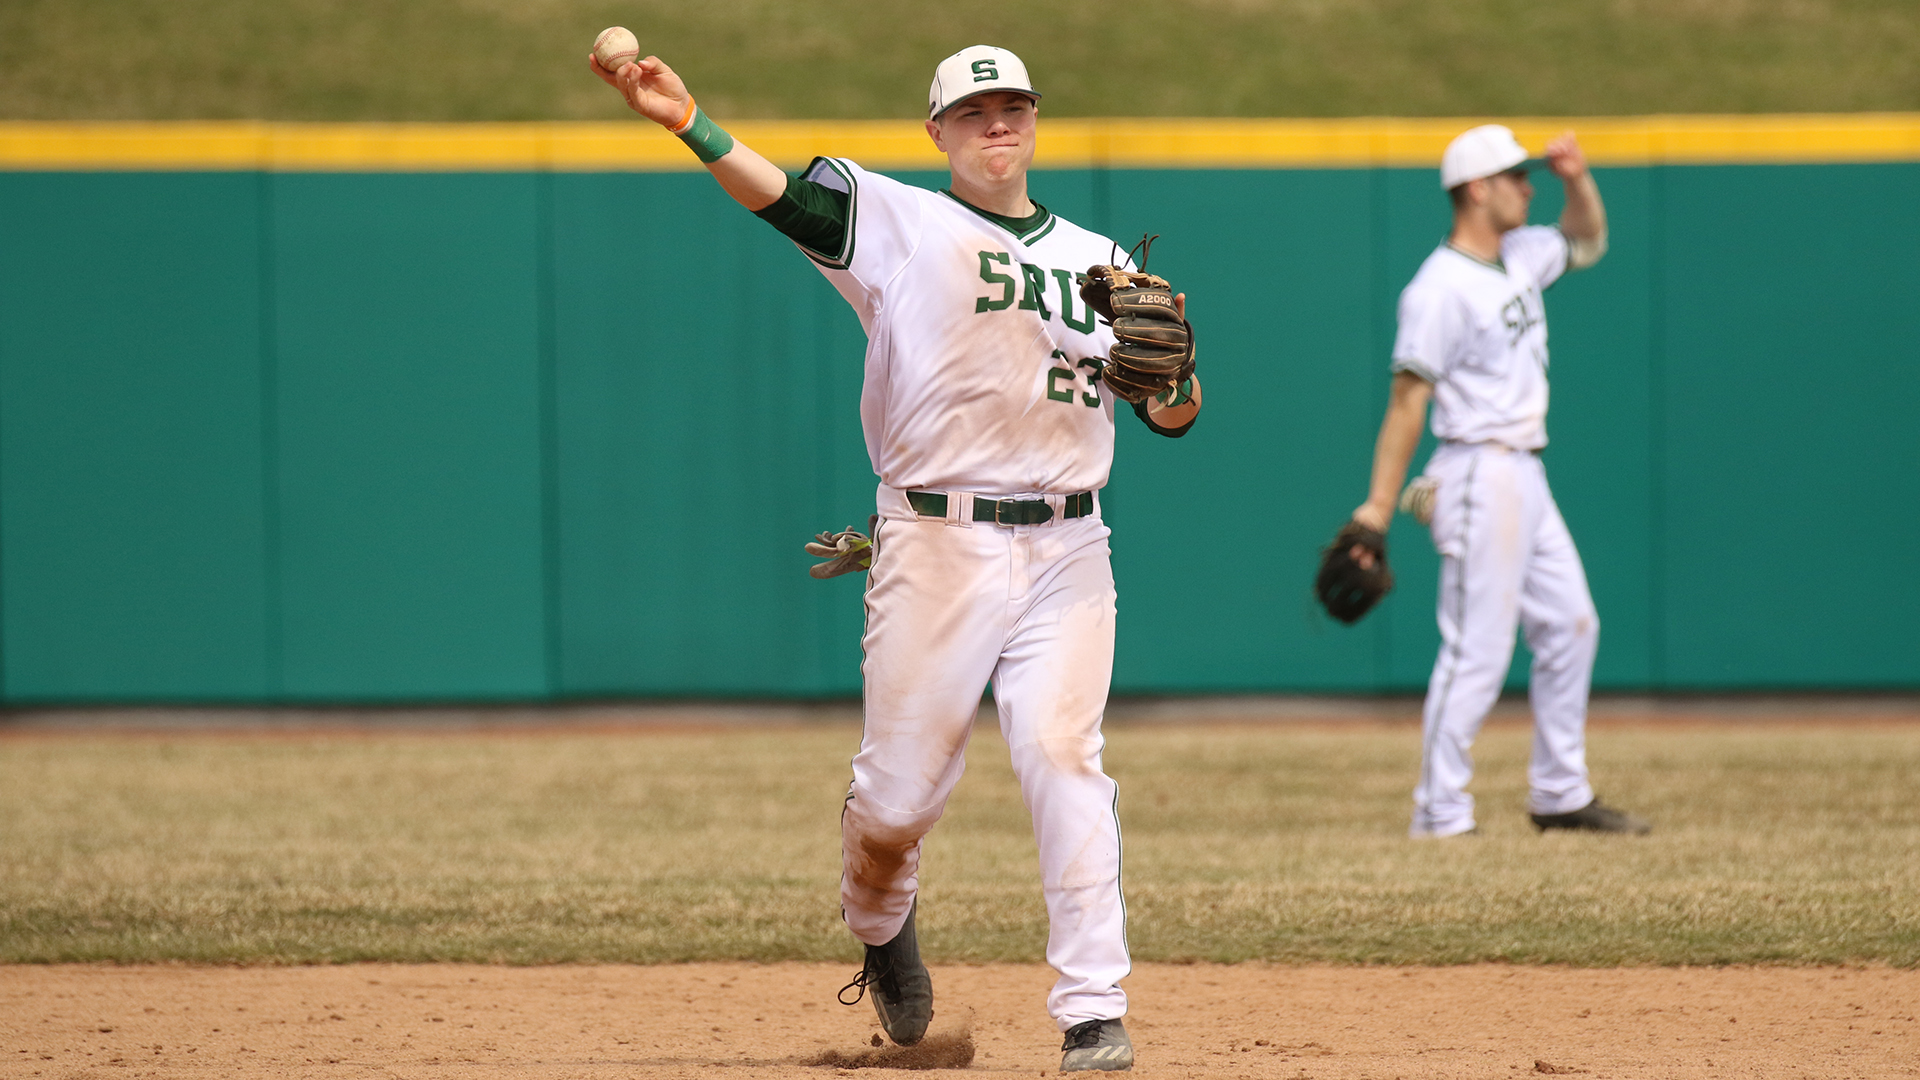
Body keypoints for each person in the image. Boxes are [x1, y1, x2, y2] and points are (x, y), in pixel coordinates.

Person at [591, 42, 1203, 1072]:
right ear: (939, 133)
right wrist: (688, 122)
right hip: (935, 539)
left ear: (1035, 118)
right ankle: (881, 924)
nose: (995, 123)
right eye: (973, 112)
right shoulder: (903, 223)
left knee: (1066, 761)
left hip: (1068, 541)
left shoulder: (1103, 260)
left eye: (1010, 106)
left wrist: (1174, 373)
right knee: (899, 802)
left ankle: (1093, 1012)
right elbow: (785, 200)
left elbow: (1175, 414)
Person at [1349, 124, 1650, 839]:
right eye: (1516, 175)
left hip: (1526, 473)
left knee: (1574, 625)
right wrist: (1377, 509)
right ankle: (1441, 812)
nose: (1528, 185)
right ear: (1477, 188)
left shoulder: (1519, 255)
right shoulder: (1438, 289)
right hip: (1478, 468)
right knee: (1478, 650)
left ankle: (1559, 793)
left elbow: (1588, 238)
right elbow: (1407, 403)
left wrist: (1578, 178)